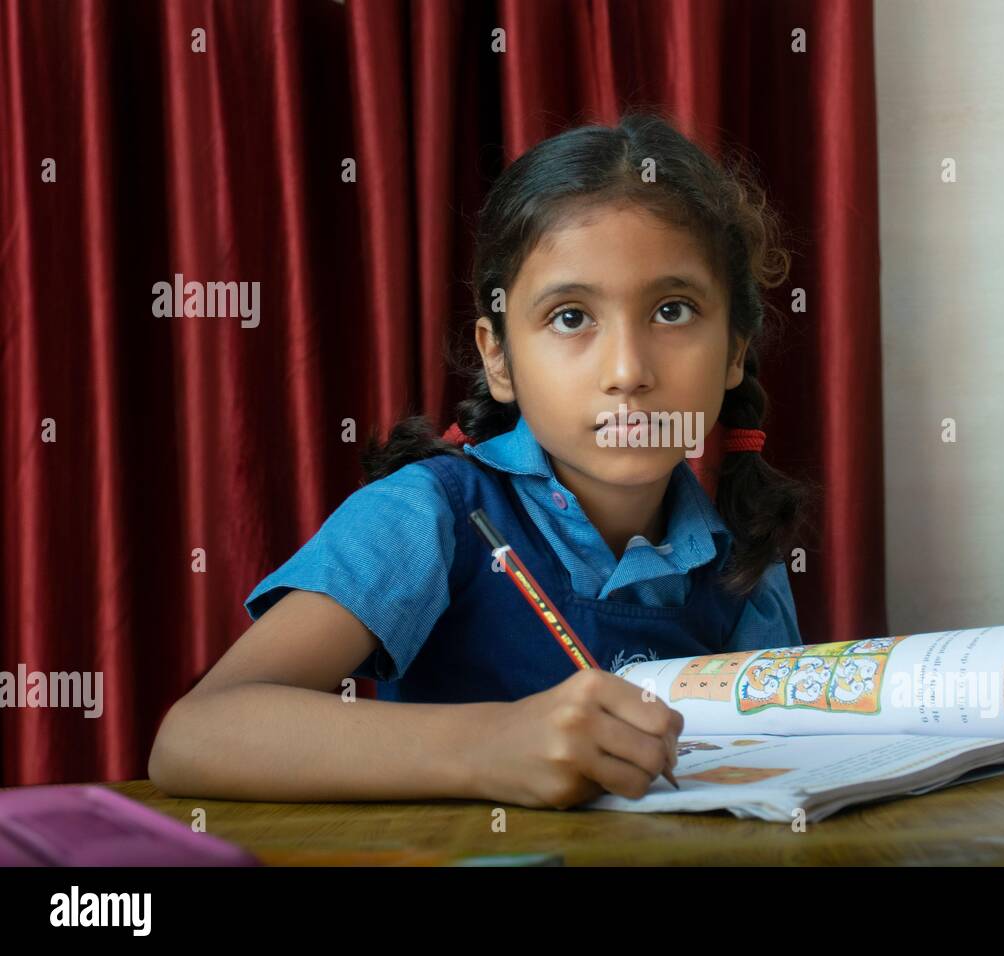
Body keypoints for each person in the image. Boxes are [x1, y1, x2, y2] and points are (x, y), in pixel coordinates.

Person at [149, 110, 813, 810]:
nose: (627, 370)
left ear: (735, 351)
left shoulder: (746, 558)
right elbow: (194, 735)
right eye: (570, 317)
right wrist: (492, 745)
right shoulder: (428, 514)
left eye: (673, 311)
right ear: (499, 358)